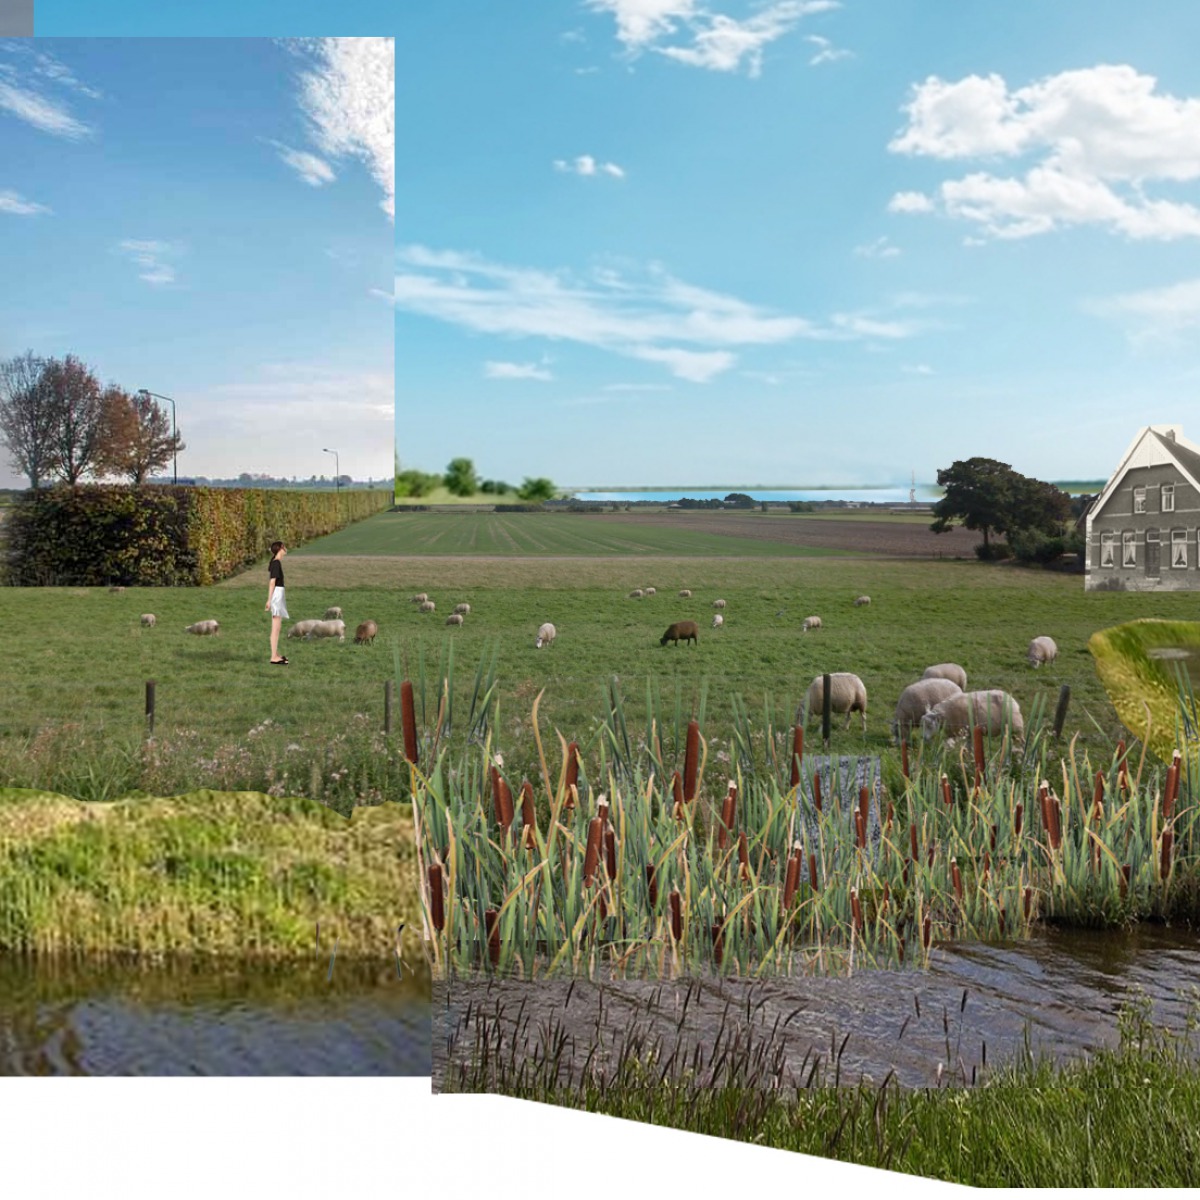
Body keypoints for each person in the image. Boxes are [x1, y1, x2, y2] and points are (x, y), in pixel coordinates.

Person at [265, 540, 289, 664]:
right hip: (277, 595)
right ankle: (273, 657)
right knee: (275, 628)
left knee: (277, 627)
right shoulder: (276, 564)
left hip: (279, 594)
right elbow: (272, 582)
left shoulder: (276, 563)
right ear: (280, 548)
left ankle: (276, 654)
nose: (285, 548)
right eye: (284, 546)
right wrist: (269, 600)